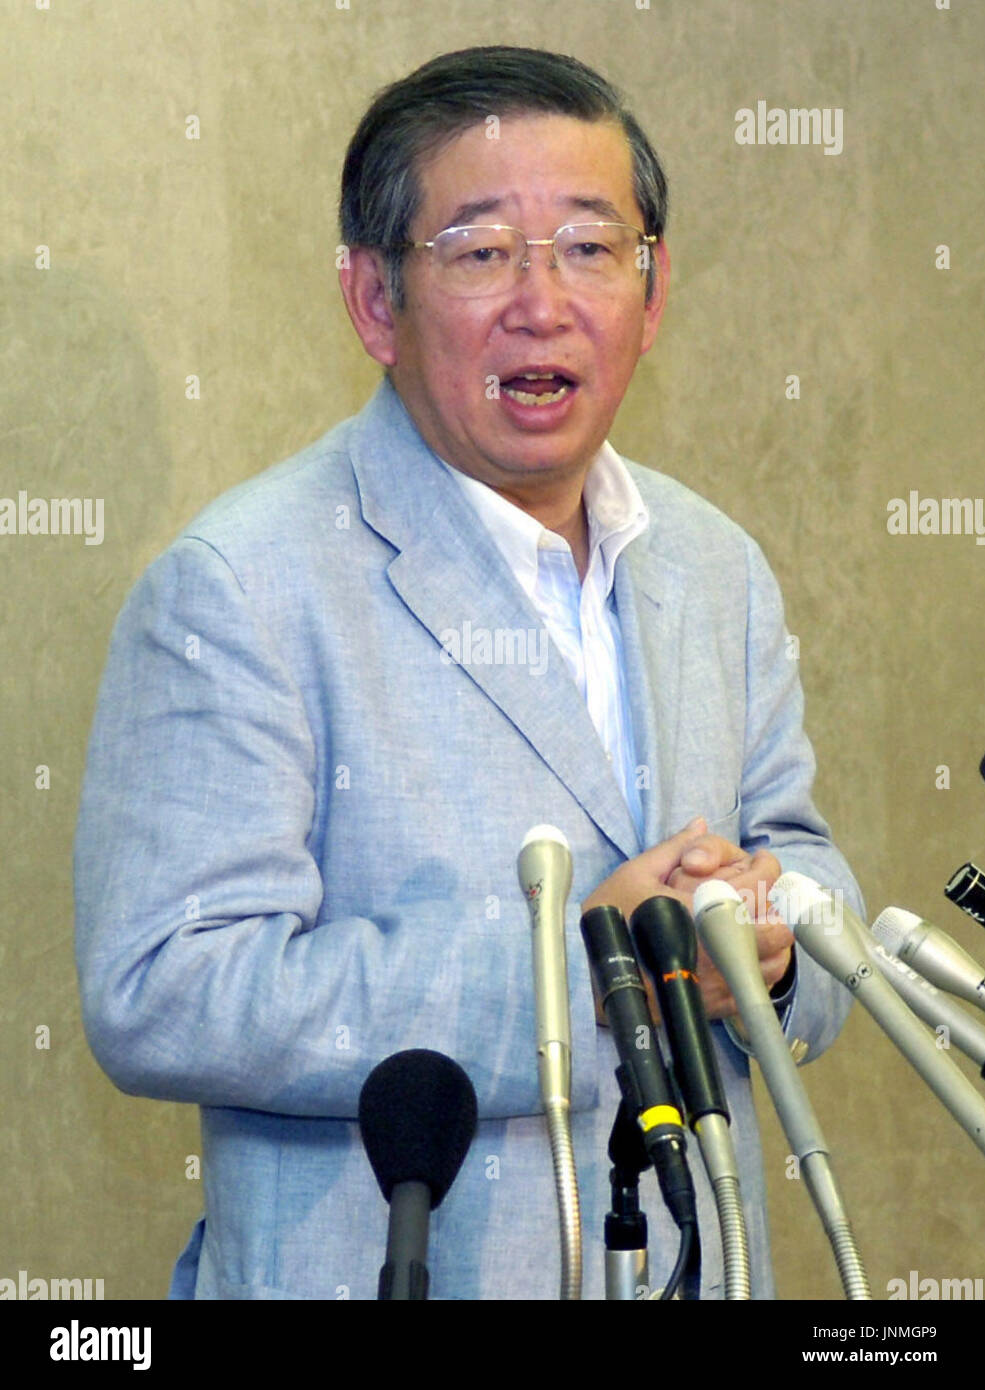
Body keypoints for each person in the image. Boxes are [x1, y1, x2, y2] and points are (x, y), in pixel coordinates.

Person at [74, 46, 861, 1300]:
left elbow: (804, 867)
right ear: (374, 301)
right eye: (483, 251)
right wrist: (591, 975)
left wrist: (767, 946)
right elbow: (165, 988)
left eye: (593, 248)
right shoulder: (243, 583)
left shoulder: (715, 564)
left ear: (652, 297)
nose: (543, 301)